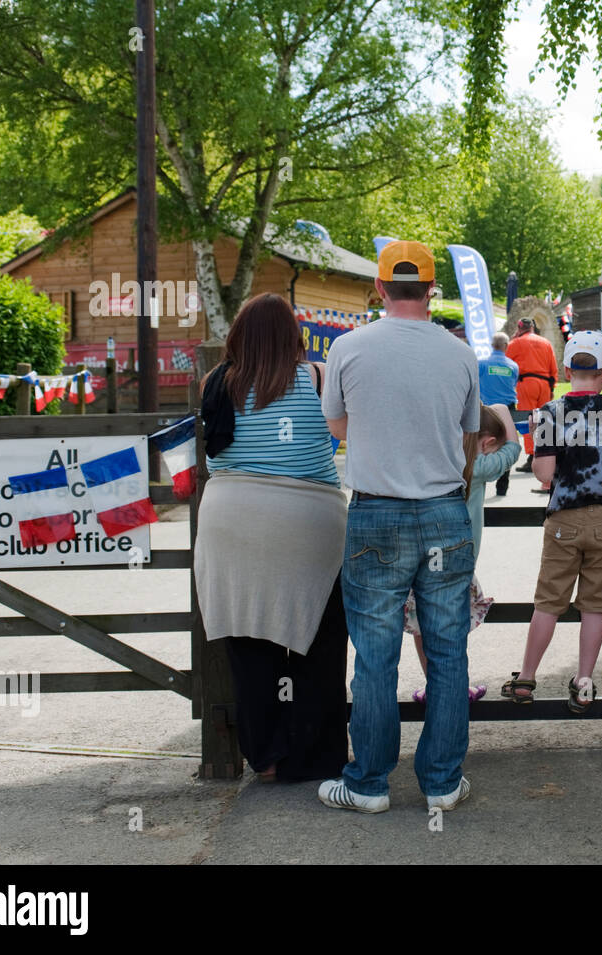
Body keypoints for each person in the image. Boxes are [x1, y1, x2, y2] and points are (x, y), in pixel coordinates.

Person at [318, 240, 480, 814]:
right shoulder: (460, 354)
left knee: (375, 655)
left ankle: (368, 784)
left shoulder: (349, 347)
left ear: (381, 289)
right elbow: (468, 428)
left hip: (376, 512)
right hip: (443, 511)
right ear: (432, 291)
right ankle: (440, 782)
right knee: (447, 651)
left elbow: (336, 427)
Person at [195, 293, 348, 783]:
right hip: (308, 520)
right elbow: (342, 433)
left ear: (239, 334)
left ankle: (266, 756)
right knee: (319, 645)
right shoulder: (319, 377)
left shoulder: (214, 383)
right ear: (293, 335)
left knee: (248, 643)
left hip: (230, 520)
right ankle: (317, 756)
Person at [501, 330, 602, 712]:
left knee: (548, 602)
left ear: (566, 369)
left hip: (564, 521)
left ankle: (526, 678)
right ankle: (585, 680)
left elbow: (543, 473)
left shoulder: (548, 413)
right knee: (595, 605)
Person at [406, 403, 520, 702]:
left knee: (422, 623)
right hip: (459, 562)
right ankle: (455, 685)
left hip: (421, 558)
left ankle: (434, 684)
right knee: (451, 627)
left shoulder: (434, 460)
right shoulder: (478, 468)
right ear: (487, 443)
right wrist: (500, 408)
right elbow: (514, 448)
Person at [507, 317, 558, 474]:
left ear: (520, 328)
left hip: (526, 384)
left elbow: (506, 363)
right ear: (533, 327)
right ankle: (546, 452)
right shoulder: (546, 342)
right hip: (544, 385)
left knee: (527, 419)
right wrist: (551, 387)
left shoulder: (515, 343)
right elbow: (553, 368)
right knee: (544, 420)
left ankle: (532, 457)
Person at [478, 332, 520, 495]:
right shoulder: (513, 366)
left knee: (482, 445)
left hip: (486, 410)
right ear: (506, 346)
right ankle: (502, 488)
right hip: (508, 410)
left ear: (491, 345)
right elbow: (514, 383)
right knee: (507, 443)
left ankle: (479, 484)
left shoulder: (481, 364)